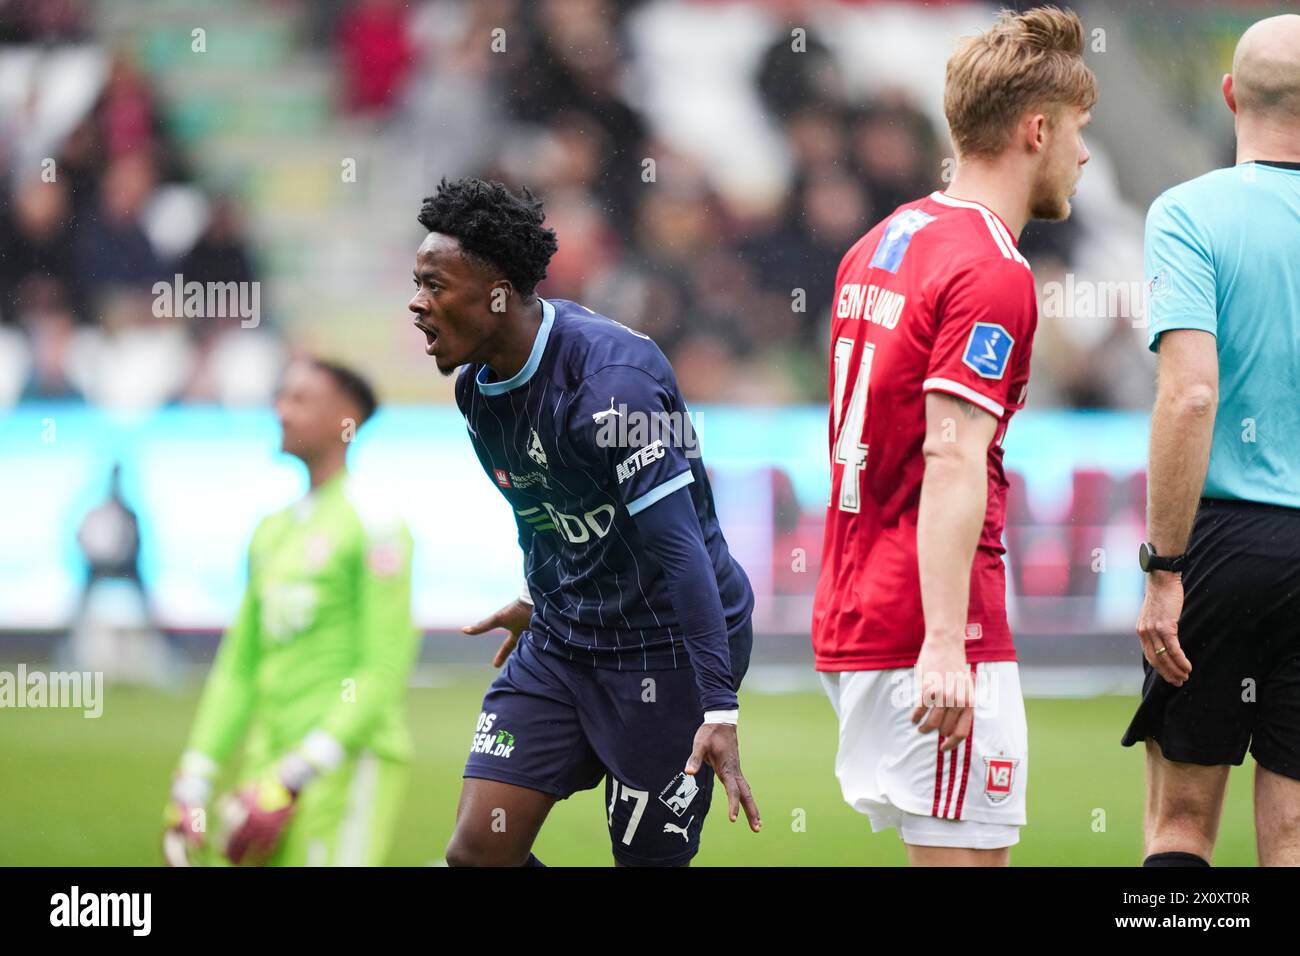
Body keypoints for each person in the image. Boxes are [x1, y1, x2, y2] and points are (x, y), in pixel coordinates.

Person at [811, 6, 1094, 865]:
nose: (1083, 155)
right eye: (1080, 131)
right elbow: (952, 452)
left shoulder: (883, 239)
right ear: (1037, 130)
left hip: (859, 600)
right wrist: (944, 642)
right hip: (934, 621)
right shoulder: (994, 269)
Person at [408, 177, 759, 867]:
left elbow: (683, 552)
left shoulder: (611, 387)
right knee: (477, 854)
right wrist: (542, 598)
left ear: (499, 293)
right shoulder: (476, 391)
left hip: (667, 653)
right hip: (566, 640)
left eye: (434, 285)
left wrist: (719, 705)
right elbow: (540, 510)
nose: (418, 304)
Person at [1122, 13, 1300, 868]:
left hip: (1225, 541)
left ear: (1230, 94)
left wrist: (1165, 569)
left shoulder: (1189, 213)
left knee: (1182, 825)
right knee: (1293, 832)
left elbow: (1191, 395)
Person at [163, 358, 418, 866]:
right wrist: (195, 778)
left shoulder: (374, 525)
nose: (279, 410)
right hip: (268, 768)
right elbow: (239, 666)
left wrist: (296, 774)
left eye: (299, 399)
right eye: (281, 397)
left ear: (344, 418)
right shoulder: (271, 531)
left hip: (343, 764)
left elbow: (383, 668)